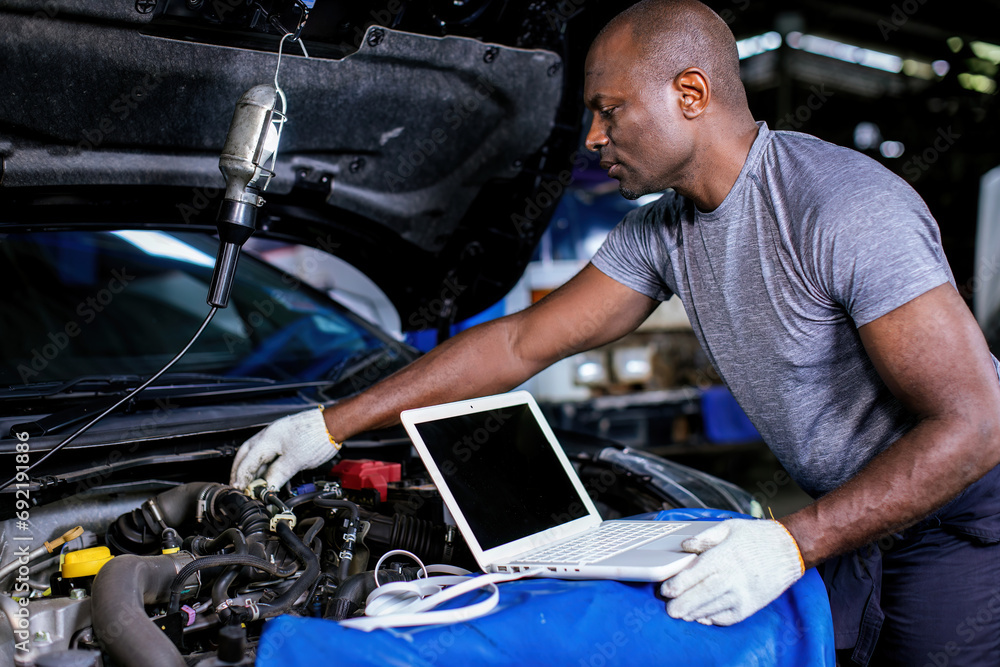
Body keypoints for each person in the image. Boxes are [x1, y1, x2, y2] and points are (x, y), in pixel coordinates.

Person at [231, 1, 1000, 663]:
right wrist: (332, 424)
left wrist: (792, 541)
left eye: (610, 110)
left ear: (690, 93)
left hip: (965, 512)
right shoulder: (664, 231)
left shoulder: (841, 208)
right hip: (859, 512)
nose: (593, 138)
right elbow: (519, 343)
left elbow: (975, 426)